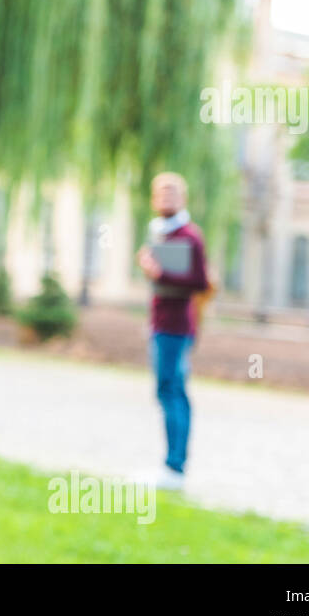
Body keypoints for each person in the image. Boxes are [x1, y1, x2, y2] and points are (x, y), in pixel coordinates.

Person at [136, 172, 210, 491]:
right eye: (160, 193)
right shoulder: (161, 233)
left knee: (172, 391)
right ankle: (172, 464)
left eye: (171, 193)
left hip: (176, 328)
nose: (165, 199)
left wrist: (158, 270)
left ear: (182, 198)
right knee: (168, 390)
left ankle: (174, 467)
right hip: (162, 323)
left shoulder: (189, 236)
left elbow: (200, 282)